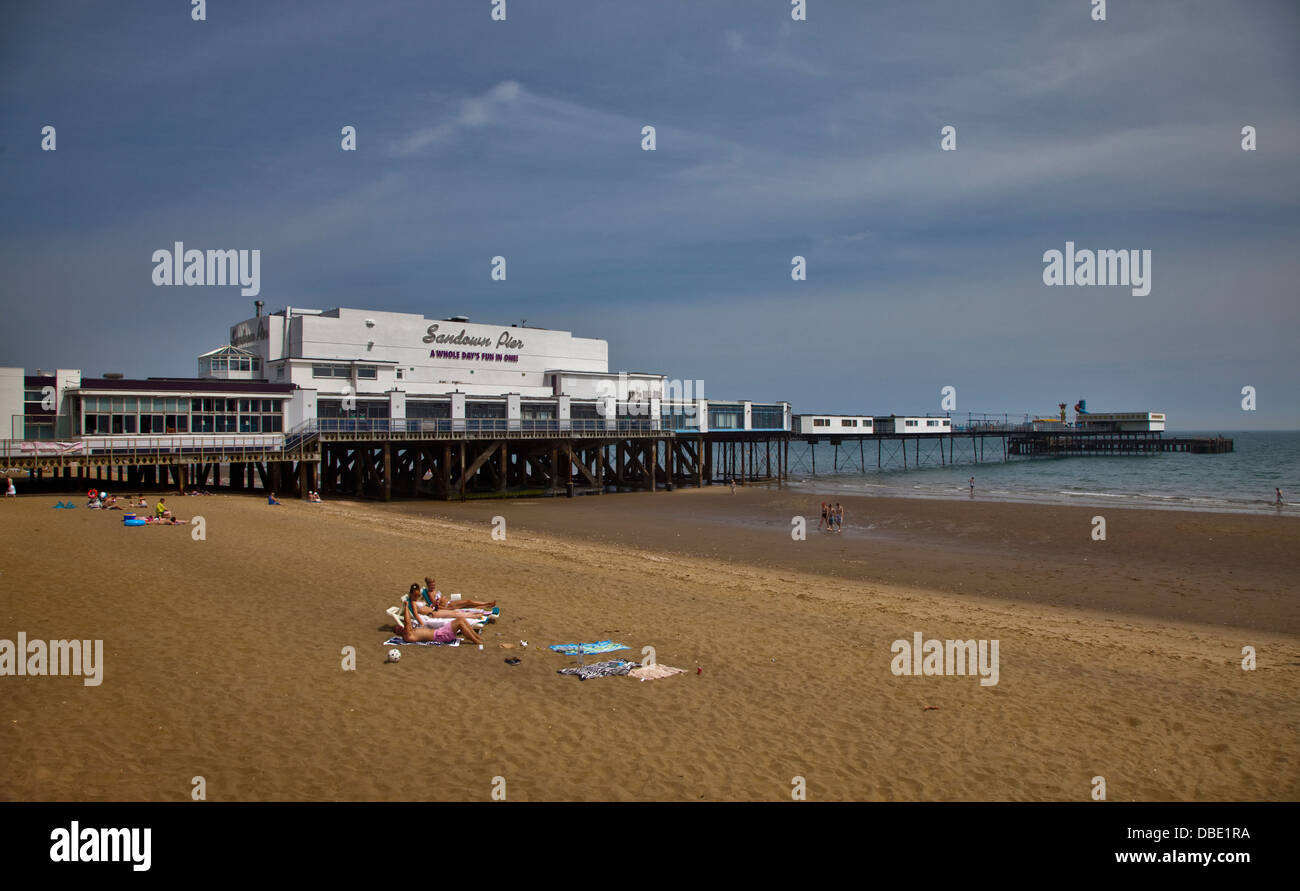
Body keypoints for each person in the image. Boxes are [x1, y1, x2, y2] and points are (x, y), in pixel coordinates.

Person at [421, 577, 495, 611]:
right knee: (468, 603)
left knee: (468, 603)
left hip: (449, 603)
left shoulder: (433, 591)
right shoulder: (430, 593)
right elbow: (434, 605)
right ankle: (487, 604)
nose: (433, 586)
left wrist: (441, 598)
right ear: (428, 585)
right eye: (432, 585)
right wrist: (440, 599)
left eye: (434, 584)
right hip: (448, 606)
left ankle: (487, 604)